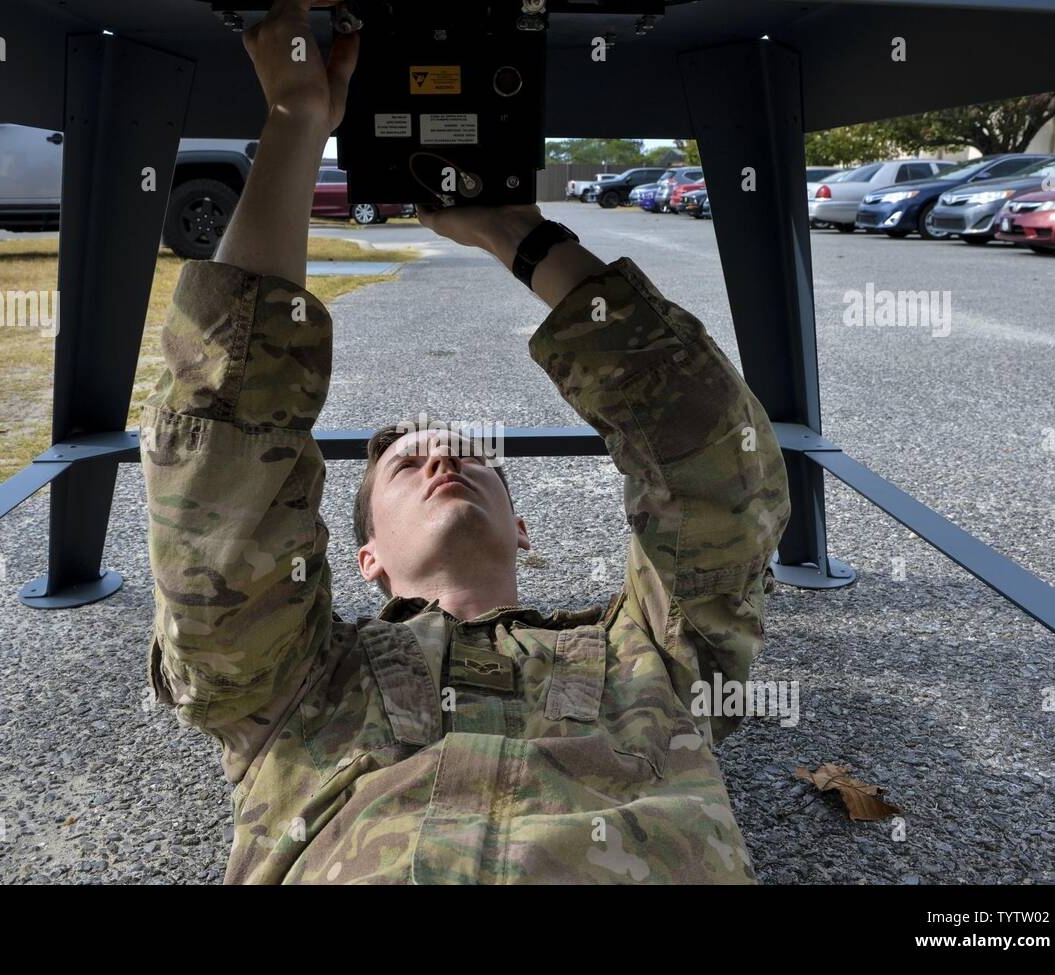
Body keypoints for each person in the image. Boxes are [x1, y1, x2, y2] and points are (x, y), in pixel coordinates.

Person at [140, 0, 791, 884]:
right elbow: (219, 462)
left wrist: (516, 234)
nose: (444, 458)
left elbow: (721, 462)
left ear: (523, 530)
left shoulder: (657, 653)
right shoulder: (291, 678)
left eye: (472, 459)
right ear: (364, 558)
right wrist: (294, 123)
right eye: (407, 466)